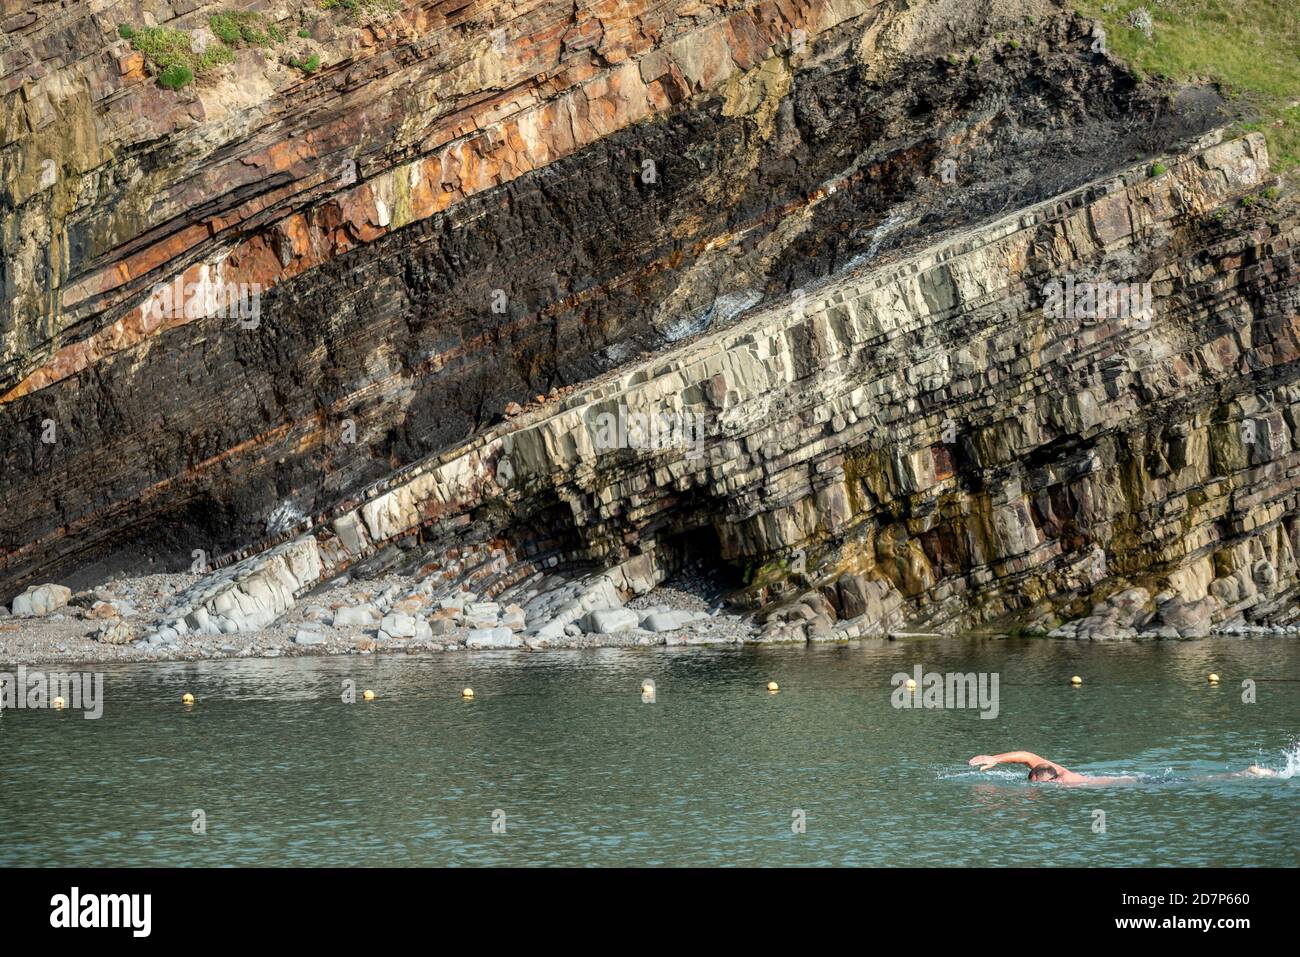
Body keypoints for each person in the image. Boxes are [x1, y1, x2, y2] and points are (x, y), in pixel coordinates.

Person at [967, 751, 1137, 785]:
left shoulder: (1065, 780)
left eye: (1037, 784)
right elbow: (1028, 756)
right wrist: (995, 759)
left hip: (1135, 782)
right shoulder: (1052, 770)